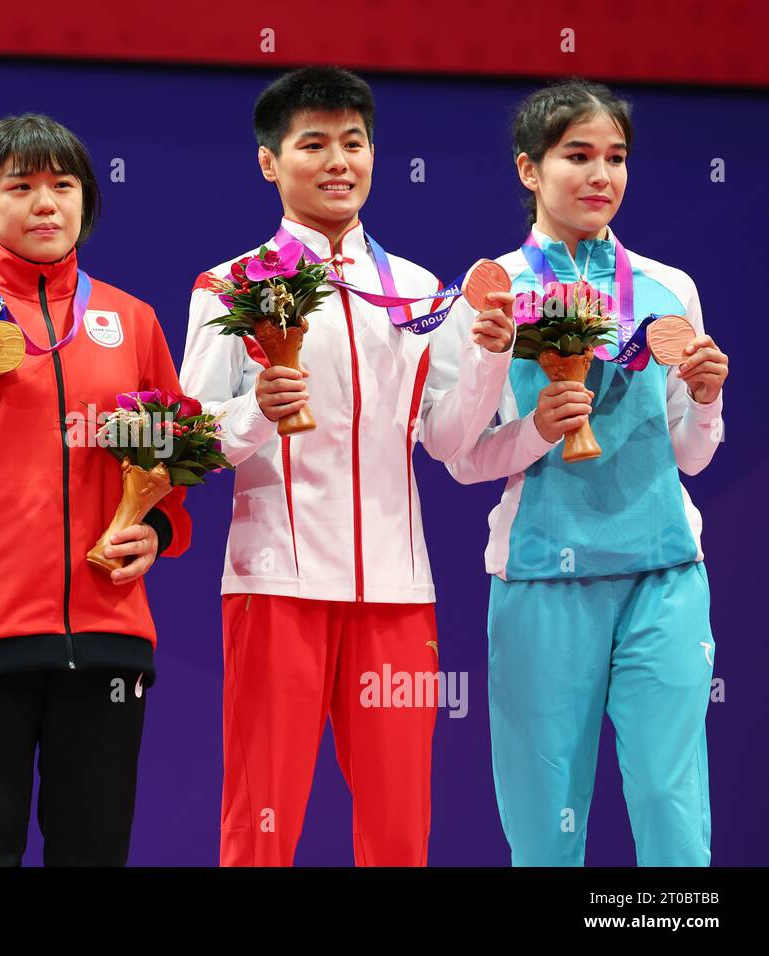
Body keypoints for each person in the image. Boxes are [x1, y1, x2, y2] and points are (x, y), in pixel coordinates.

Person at [179, 66, 516, 867]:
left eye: (355, 143)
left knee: (401, 832)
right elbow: (189, 445)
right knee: (260, 825)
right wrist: (259, 405)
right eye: (314, 143)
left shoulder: (419, 293)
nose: (339, 161)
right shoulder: (228, 287)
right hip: (275, 587)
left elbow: (448, 441)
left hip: (398, 598)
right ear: (270, 162)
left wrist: (491, 361)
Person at [0, 114, 192, 866]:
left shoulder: (132, 319)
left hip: (110, 634)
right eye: (21, 187)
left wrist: (161, 532)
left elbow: (171, 461)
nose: (46, 203)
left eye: (63, 185)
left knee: (94, 855)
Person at [442, 79, 727, 866]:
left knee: (671, 797)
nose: (601, 175)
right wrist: (534, 430)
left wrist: (704, 400)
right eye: (578, 156)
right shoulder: (492, 294)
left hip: (664, 570)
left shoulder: (672, 289)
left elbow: (692, 455)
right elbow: (459, 457)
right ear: (529, 169)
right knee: (544, 817)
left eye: (616, 157)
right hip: (542, 573)